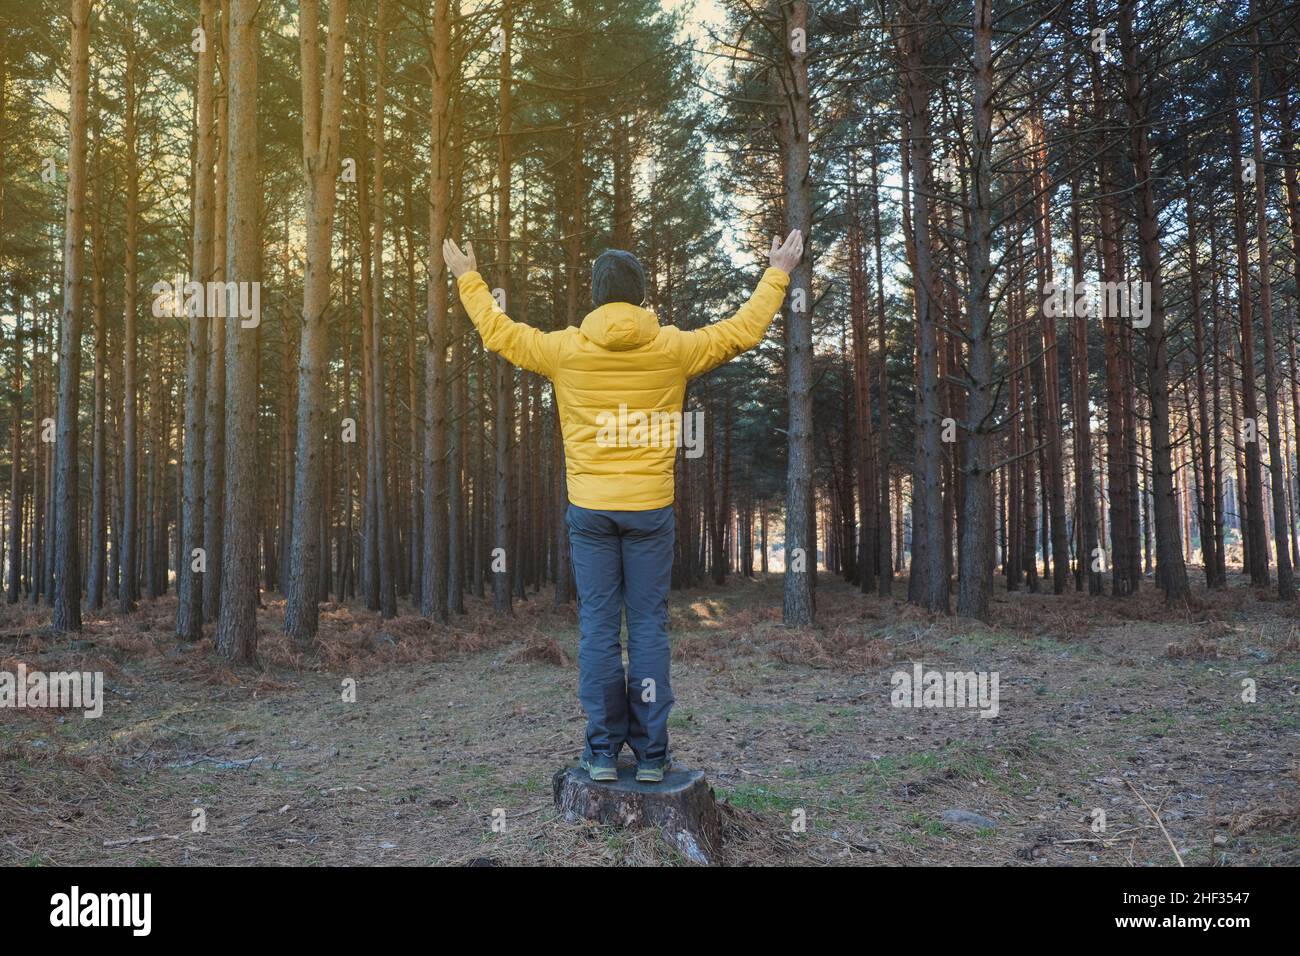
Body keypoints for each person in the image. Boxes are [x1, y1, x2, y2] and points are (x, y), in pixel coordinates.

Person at [443, 229, 803, 782]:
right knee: (650, 629)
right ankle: (653, 755)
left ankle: (604, 753)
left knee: (598, 631)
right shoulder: (673, 347)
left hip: (590, 511)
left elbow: (501, 334)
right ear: (640, 296)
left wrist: (469, 279)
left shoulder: (565, 349)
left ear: (596, 295)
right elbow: (742, 332)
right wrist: (777, 271)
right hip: (649, 512)